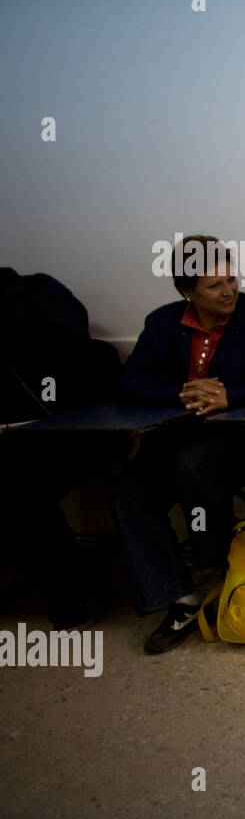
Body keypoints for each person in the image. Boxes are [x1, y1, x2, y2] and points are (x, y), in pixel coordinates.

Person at [112, 235, 245, 652]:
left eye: (232, 278)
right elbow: (131, 383)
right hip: (177, 435)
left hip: (244, 439)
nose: (228, 290)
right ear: (187, 291)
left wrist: (230, 393)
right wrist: (183, 391)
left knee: (194, 465)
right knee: (128, 494)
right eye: (214, 285)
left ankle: (215, 566)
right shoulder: (162, 323)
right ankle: (182, 597)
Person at [1, 268, 126, 628]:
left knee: (22, 489)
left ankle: (72, 598)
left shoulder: (35, 301)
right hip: (28, 441)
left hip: (72, 438)